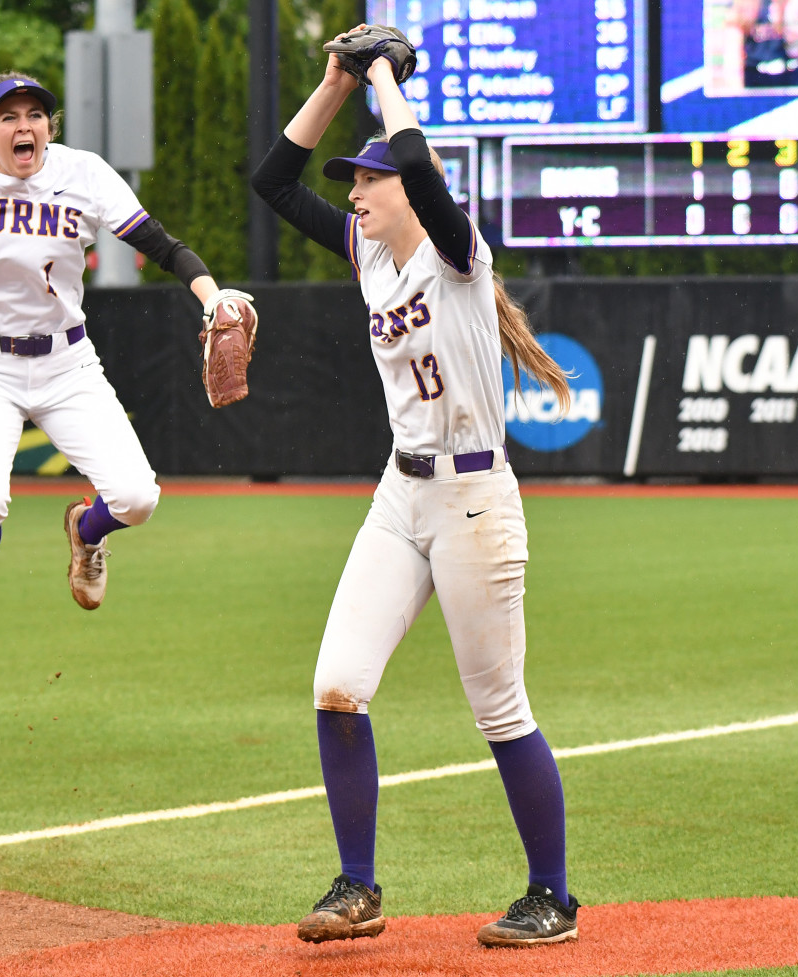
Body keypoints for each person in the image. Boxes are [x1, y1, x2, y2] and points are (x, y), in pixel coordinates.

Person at [251, 29, 579, 948]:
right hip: (400, 497)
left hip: (476, 503)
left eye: (365, 178)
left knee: (499, 707)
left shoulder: (452, 250)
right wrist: (332, 85)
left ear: (401, 191)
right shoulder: (371, 256)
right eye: (353, 180)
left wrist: (388, 78)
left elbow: (418, 164)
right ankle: (357, 886)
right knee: (337, 685)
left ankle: (552, 896)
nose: (353, 191)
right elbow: (275, 182)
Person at [0, 72, 245, 670]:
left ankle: (88, 532)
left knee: (137, 498)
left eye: (34, 115)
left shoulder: (83, 174)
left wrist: (212, 297)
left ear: (48, 128)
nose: (23, 125)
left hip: (66, 362)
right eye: (7, 117)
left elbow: (162, 245)